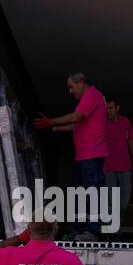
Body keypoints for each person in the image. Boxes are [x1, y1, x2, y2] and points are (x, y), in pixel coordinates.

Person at [33, 72, 107, 240]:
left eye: (71, 87)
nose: (70, 91)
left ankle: (92, 231)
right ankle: (80, 231)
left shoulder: (93, 95)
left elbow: (75, 117)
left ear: (81, 82)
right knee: (79, 193)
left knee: (91, 193)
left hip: (92, 155)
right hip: (83, 156)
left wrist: (50, 122)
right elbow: (76, 125)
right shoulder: (86, 100)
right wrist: (52, 129)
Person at [103, 94, 133, 227]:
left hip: (125, 168)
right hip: (108, 169)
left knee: (124, 202)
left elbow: (131, 141)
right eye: (106, 108)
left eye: (111, 108)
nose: (108, 111)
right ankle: (113, 233)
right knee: (111, 201)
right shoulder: (102, 122)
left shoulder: (125, 122)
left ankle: (114, 227)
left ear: (117, 108)